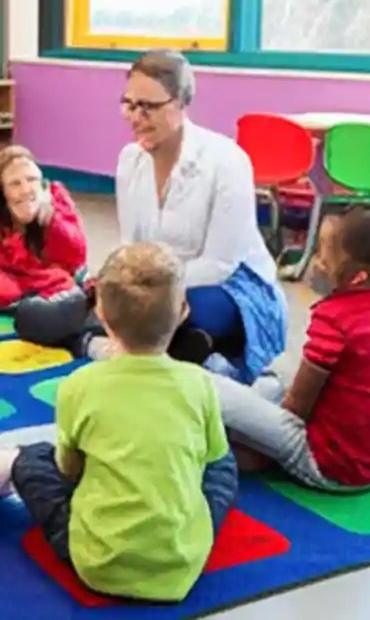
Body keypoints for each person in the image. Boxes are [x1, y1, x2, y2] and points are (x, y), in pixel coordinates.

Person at [0, 242, 238, 602]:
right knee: (223, 462)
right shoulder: (200, 383)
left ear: (100, 313)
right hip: (182, 564)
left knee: (31, 459)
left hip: (97, 563)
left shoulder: (79, 385)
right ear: (183, 312)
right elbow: (211, 459)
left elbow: (68, 470)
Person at [111, 50, 286, 380]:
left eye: (148, 107)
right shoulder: (129, 159)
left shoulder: (227, 161)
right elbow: (130, 245)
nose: (135, 117)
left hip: (228, 285)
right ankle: (196, 361)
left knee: (159, 323)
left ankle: (219, 368)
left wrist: (149, 289)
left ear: (180, 102)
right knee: (104, 307)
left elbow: (220, 265)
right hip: (154, 280)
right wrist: (119, 283)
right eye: (129, 104)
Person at [211, 208, 370, 490]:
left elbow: (296, 408)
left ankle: (243, 445)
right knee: (282, 367)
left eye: (325, 258)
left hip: (329, 466)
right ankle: (245, 434)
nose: (317, 265)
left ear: (357, 277)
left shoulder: (336, 320)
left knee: (209, 385)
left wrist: (258, 428)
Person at [0, 146, 94, 349]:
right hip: (30, 303)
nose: (26, 189)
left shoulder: (56, 200)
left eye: (32, 179)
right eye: (15, 183)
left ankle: (89, 335)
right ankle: (87, 339)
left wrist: (52, 220)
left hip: (66, 290)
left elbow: (76, 257)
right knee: (32, 315)